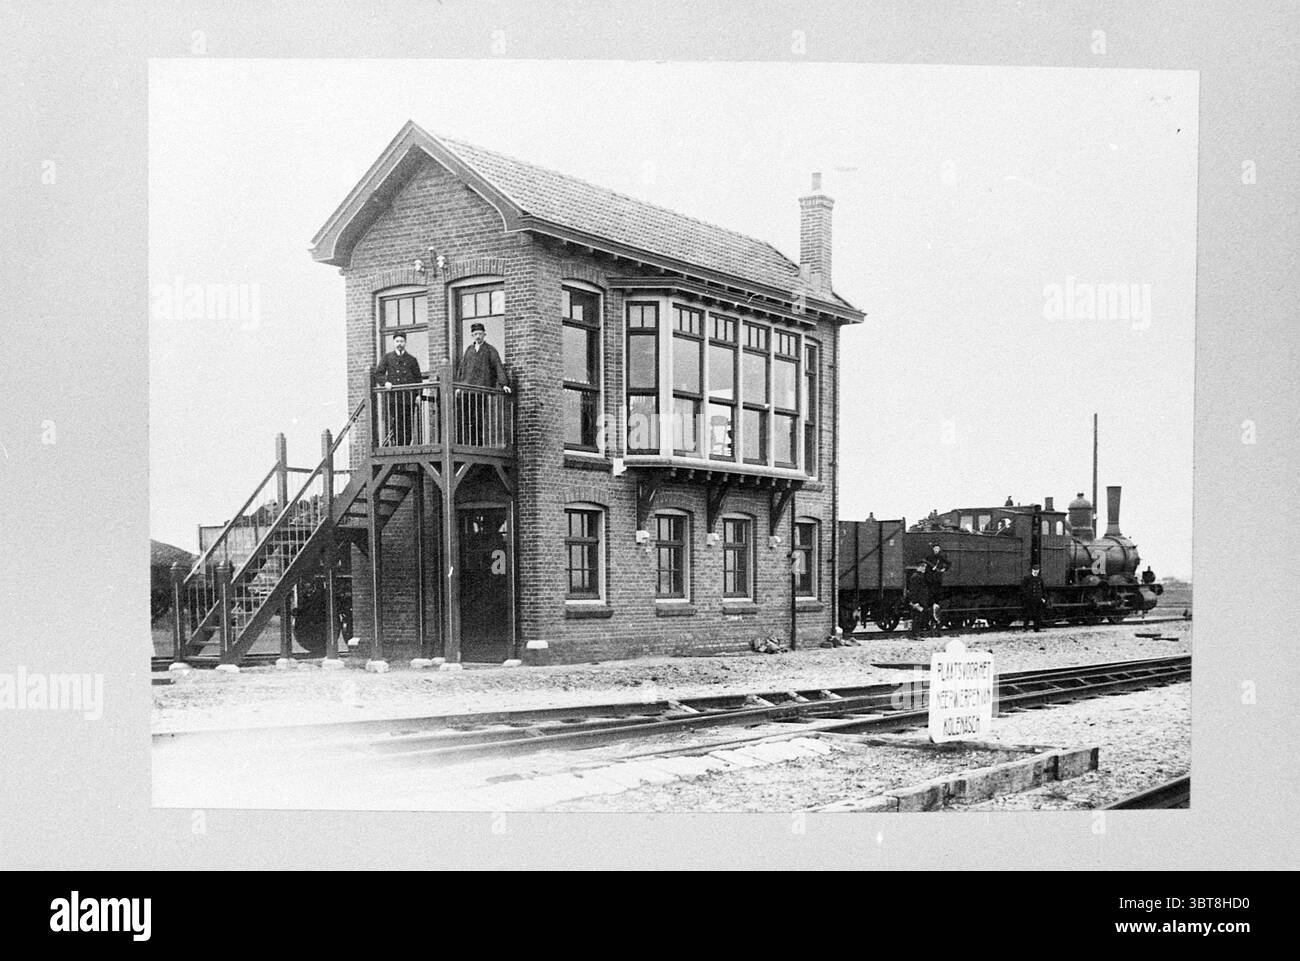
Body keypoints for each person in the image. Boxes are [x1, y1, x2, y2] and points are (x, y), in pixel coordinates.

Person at [456, 323, 511, 445]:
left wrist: (504, 384)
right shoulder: (469, 351)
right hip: (467, 389)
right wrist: (459, 386)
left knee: (478, 419)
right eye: (475, 334)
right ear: (472, 336)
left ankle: (477, 443)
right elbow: (462, 369)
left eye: (480, 334)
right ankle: (468, 443)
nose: (478, 336)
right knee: (466, 418)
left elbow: (498, 366)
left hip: (481, 390)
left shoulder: (490, 350)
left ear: (484, 335)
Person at [372, 332, 423, 445]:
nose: (399, 344)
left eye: (402, 341)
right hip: (394, 398)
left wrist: (418, 395)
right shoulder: (387, 358)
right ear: (393, 343)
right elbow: (378, 373)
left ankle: (407, 444)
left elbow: (418, 379)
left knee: (408, 423)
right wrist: (385, 383)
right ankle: (398, 445)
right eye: (397, 341)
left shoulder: (412, 359)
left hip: (408, 398)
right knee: (396, 423)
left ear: (405, 343)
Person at [906, 563, 932, 638]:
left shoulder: (919, 576)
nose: (924, 569)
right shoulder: (916, 577)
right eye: (923, 567)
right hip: (918, 602)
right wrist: (915, 602)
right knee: (917, 618)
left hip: (920, 601)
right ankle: (915, 635)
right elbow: (914, 591)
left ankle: (915, 634)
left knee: (918, 618)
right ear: (919, 567)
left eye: (925, 567)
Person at [1021, 563, 1046, 632]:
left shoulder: (1040, 579)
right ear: (1032, 570)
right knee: (1028, 614)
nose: (1036, 571)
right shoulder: (1027, 578)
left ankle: (1036, 628)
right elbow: (1023, 588)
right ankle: (1025, 628)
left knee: (1038, 615)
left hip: (1038, 599)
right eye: (1035, 570)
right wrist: (1026, 596)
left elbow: (1043, 589)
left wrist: (1043, 598)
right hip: (1030, 599)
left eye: (1037, 570)